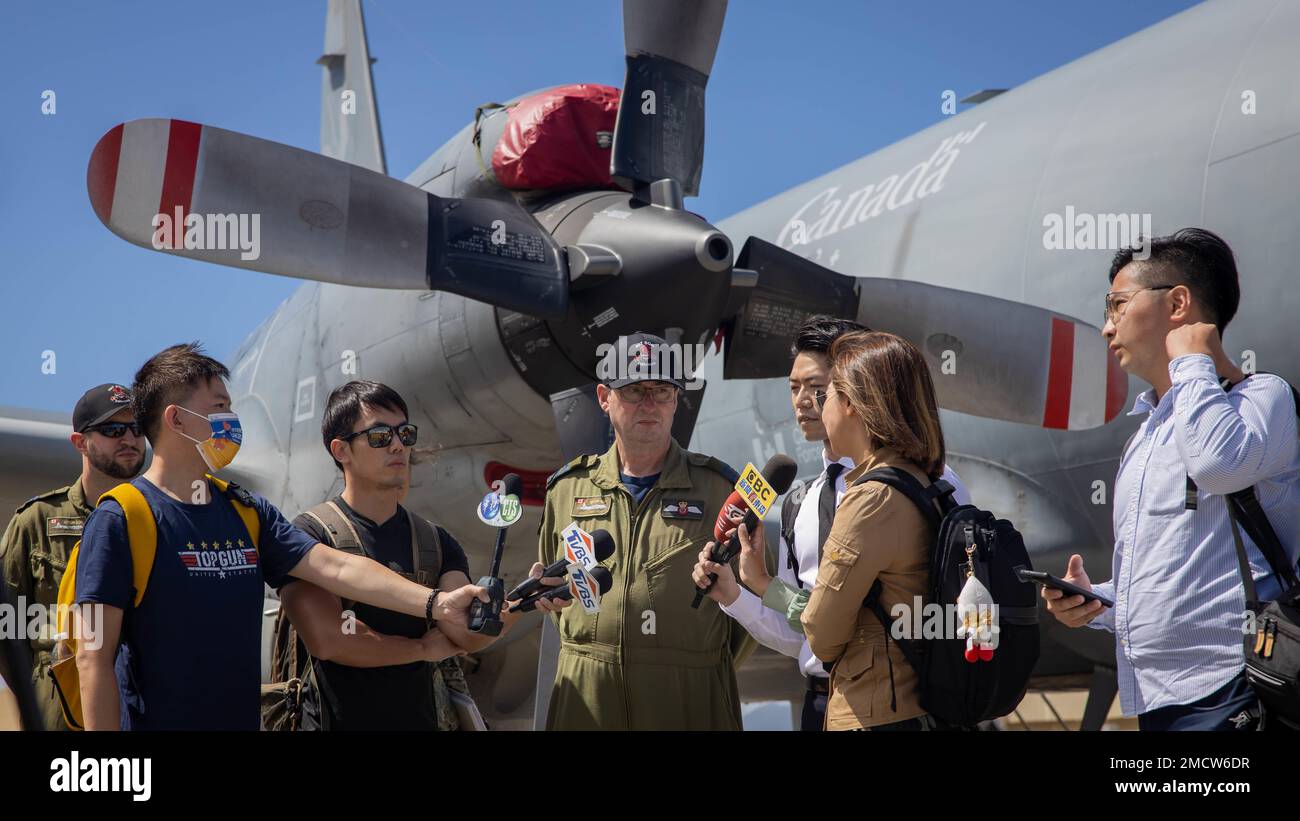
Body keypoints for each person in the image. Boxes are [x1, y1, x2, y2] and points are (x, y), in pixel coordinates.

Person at [68, 344, 489, 730]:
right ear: (176, 418)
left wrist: (436, 603)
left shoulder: (245, 512)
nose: (229, 422)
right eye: (218, 408)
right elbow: (93, 659)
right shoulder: (121, 517)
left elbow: (336, 566)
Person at [1043, 228, 1299, 731]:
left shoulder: (1262, 398)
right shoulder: (1145, 436)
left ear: (1178, 302)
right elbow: (1171, 579)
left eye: (1117, 304)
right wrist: (1096, 602)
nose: (1106, 327)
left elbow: (1216, 465)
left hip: (1236, 686)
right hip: (1158, 699)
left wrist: (1192, 360)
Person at [691, 316, 969, 730]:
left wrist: (771, 590)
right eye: (794, 387)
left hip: (903, 704)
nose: (806, 401)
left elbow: (824, 627)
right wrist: (737, 595)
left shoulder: (934, 484)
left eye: (822, 389)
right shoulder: (800, 502)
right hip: (825, 705)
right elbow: (803, 638)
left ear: (858, 391)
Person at [281, 380, 566, 730]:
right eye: (380, 435)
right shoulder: (310, 534)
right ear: (341, 450)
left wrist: (524, 602)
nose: (399, 445)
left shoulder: (434, 541)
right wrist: (421, 649)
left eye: (405, 433)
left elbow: (465, 636)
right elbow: (329, 639)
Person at [538, 332, 754, 730]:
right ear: (604, 398)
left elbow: (752, 605)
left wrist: (680, 661)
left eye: (662, 391)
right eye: (635, 390)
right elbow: (557, 586)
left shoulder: (721, 489)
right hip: (587, 695)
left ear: (677, 400)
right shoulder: (566, 490)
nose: (650, 404)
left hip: (686, 695)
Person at [798, 330, 949, 730]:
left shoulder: (872, 499)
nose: (818, 406)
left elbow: (821, 631)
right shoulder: (927, 484)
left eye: (825, 395)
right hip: (918, 708)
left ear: (851, 405)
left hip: (876, 713)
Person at [0, 383, 144, 730]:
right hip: (62, 717)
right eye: (113, 429)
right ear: (80, 442)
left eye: (137, 429)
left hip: (143, 709)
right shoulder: (37, 521)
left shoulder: (157, 519)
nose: (129, 439)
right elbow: (7, 634)